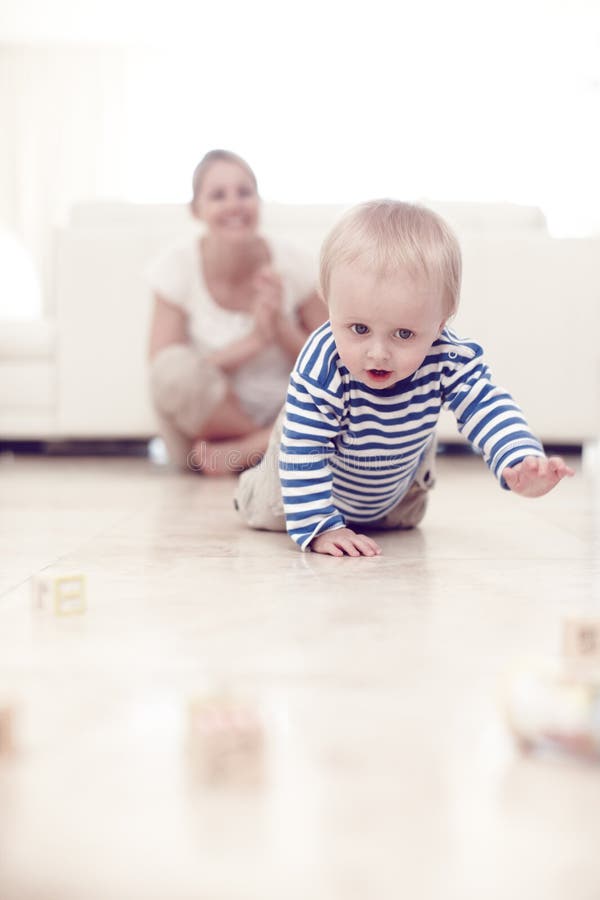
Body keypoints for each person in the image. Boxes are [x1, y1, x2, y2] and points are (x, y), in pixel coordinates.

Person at [234, 199, 574, 555]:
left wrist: (519, 459)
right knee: (272, 501)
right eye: (359, 328)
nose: (378, 352)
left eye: (404, 335)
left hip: (392, 497)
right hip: (299, 485)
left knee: (403, 521)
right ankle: (253, 487)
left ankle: (368, 512)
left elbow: (485, 403)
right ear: (329, 304)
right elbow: (304, 450)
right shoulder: (324, 363)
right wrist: (320, 528)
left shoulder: (446, 357)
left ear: (440, 323)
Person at [147, 149, 325, 475]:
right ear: (196, 209)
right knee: (172, 369)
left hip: (283, 412)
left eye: (244, 192)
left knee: (350, 392)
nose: (234, 205)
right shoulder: (176, 267)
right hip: (206, 433)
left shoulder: (295, 264)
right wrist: (254, 342)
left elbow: (334, 364)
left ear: (259, 201)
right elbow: (166, 374)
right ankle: (268, 450)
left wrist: (281, 328)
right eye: (217, 195)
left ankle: (249, 453)